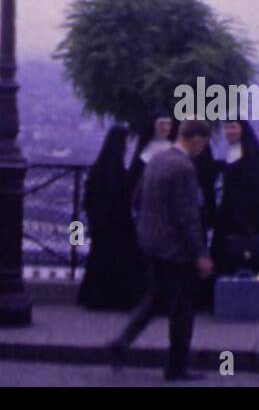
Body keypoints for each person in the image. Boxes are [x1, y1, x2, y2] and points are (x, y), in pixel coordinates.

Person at [107, 120, 215, 381]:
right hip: (174, 249)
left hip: (150, 242)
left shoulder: (157, 158)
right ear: (197, 139)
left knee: (156, 298)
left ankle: (121, 343)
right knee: (182, 311)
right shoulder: (184, 168)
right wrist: (200, 254)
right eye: (205, 142)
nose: (204, 148)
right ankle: (176, 367)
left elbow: (137, 197)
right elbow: (186, 216)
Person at [78, 125, 146, 310]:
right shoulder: (118, 170)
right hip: (119, 223)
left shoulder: (98, 169)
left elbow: (89, 198)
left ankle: (96, 298)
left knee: (99, 260)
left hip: (101, 224)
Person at [210, 120, 259, 277]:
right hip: (230, 215)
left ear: (242, 130)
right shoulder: (236, 151)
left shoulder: (252, 155)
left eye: (233, 127)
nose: (229, 131)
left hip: (246, 218)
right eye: (227, 127)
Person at [126, 109, 175, 205]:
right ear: (153, 125)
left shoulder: (175, 148)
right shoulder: (144, 147)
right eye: (161, 124)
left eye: (168, 124)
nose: (165, 128)